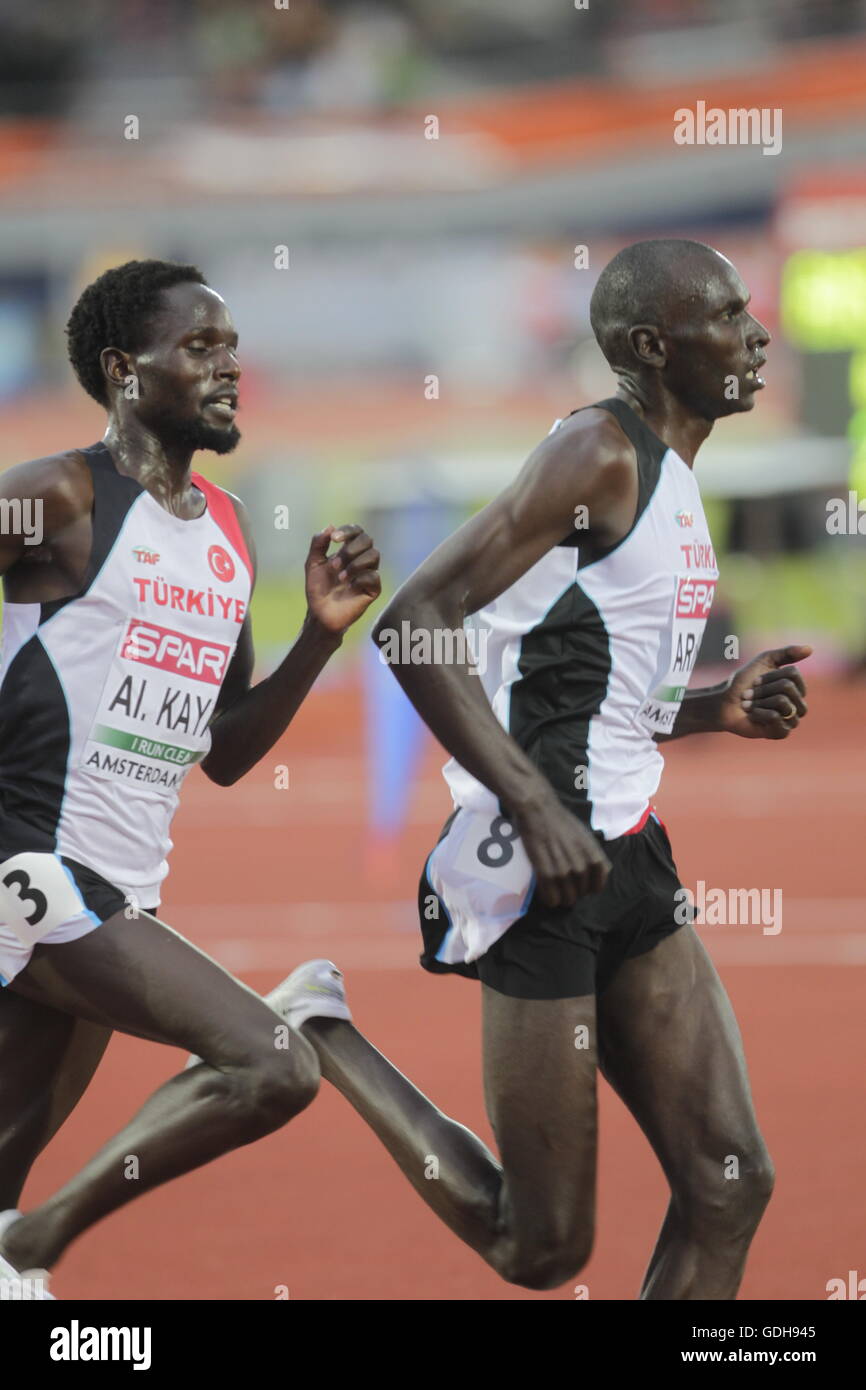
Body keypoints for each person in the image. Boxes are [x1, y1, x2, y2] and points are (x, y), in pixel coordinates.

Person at [266, 239, 811, 1299]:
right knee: (541, 1246)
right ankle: (320, 1028)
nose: (756, 335)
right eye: (729, 315)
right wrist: (532, 804)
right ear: (654, 345)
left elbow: (583, 692)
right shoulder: (595, 454)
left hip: (628, 853)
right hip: (535, 869)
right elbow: (414, 622)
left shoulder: (677, 484)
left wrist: (713, 710)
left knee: (729, 1181)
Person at [0, 259, 380, 1295]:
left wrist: (316, 638)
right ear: (125, 369)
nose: (229, 367)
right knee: (271, 1064)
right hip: (36, 874)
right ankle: (31, 1247)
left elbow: (227, 750)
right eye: (200, 348)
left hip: (121, 890)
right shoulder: (60, 500)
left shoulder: (224, 534)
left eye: (233, 349)